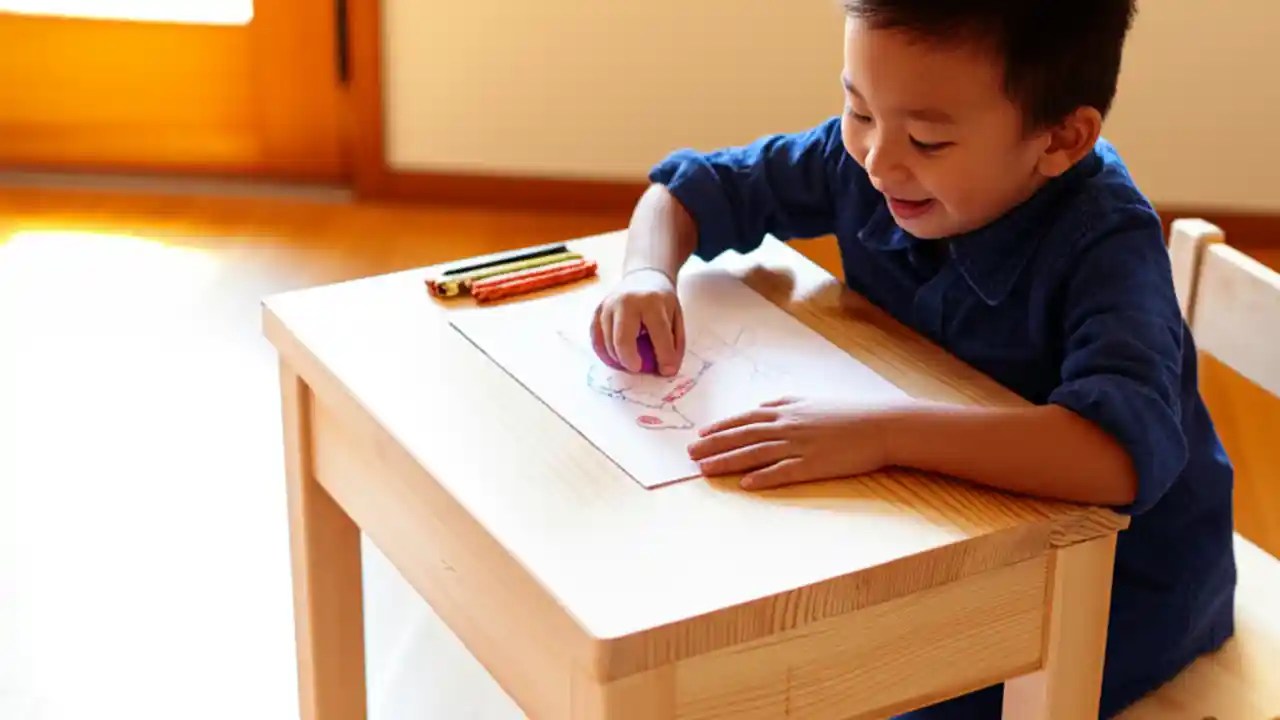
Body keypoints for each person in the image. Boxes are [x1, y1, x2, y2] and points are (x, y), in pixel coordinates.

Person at [589, 1, 1236, 717]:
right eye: (857, 109)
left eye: (927, 140)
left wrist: (883, 433)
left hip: (1120, 587)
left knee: (848, 689)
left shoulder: (1107, 245)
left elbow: (1114, 456)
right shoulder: (870, 159)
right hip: (939, 531)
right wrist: (647, 273)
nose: (877, 159)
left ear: (1060, 137)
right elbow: (686, 190)